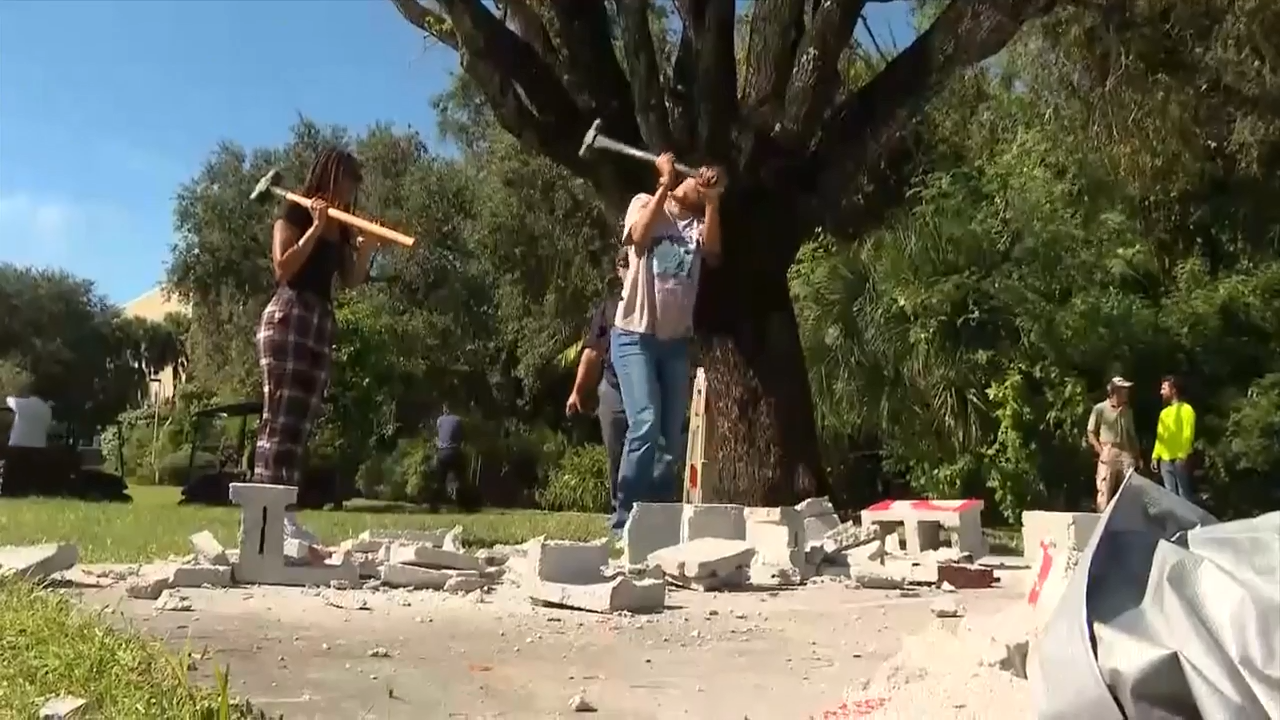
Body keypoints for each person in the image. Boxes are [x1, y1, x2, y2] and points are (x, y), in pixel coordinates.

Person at [252, 147, 380, 559]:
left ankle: (283, 513)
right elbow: (283, 268)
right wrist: (314, 227)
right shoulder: (295, 209)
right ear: (330, 175)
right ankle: (265, 516)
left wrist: (368, 246)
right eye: (348, 180)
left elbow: (353, 280)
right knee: (280, 418)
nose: (351, 190)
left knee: (301, 421)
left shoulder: (341, 226)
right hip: (289, 315)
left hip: (321, 320)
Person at [610, 152, 723, 532]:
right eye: (699, 177)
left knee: (671, 441)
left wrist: (713, 203)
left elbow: (713, 253)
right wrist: (663, 184)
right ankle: (624, 520)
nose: (703, 182)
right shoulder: (645, 202)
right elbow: (639, 239)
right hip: (634, 335)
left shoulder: (698, 225)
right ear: (682, 177)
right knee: (645, 422)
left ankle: (655, 522)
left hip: (674, 343)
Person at [566, 248, 630, 515]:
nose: (630, 270)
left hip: (650, 388)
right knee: (616, 455)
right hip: (614, 388)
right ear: (619, 270)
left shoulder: (657, 300)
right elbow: (592, 351)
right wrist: (577, 391)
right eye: (625, 265)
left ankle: (650, 515)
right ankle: (620, 515)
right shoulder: (610, 307)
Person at [1086, 376, 1142, 511]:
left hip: (1125, 450)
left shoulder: (1128, 411)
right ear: (1114, 391)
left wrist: (1137, 456)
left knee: (1130, 488)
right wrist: (1101, 452)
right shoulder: (1100, 409)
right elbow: (1091, 432)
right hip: (1108, 449)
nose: (1127, 393)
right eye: (1124, 390)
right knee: (1105, 488)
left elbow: (1132, 435)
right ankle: (1101, 519)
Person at [1152, 375, 1196, 501]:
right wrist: (1155, 456)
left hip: (1180, 458)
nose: (1161, 392)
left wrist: (1183, 455)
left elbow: (1188, 434)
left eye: (1164, 388)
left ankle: (1188, 520)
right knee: (1169, 495)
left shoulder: (1187, 410)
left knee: (1184, 494)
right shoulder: (1164, 413)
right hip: (1165, 459)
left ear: (1174, 390)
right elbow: (1160, 437)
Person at [430, 404, 468, 510]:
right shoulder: (459, 420)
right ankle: (464, 505)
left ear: (445, 409)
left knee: (440, 481)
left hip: (442, 452)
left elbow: (439, 436)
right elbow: (462, 438)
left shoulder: (440, 420)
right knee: (461, 479)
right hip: (455, 451)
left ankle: (434, 505)